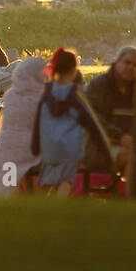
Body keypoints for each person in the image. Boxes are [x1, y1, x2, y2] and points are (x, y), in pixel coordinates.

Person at [31, 49, 102, 191]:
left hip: (49, 146)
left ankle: (48, 208)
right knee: (66, 180)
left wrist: (35, 147)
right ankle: (59, 208)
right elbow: (90, 121)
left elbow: (38, 120)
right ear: (73, 70)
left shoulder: (46, 92)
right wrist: (103, 146)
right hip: (70, 147)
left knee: (51, 181)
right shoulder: (76, 93)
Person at [0, 56, 46, 196]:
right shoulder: (41, 96)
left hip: (7, 145)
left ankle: (10, 200)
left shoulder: (11, 95)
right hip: (30, 146)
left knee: (9, 182)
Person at [81, 46, 136, 174]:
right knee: (134, 159)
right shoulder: (99, 86)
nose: (131, 67)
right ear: (117, 62)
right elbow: (92, 118)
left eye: (135, 65)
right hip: (99, 147)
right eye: (127, 62)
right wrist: (121, 137)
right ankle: (132, 194)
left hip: (131, 145)